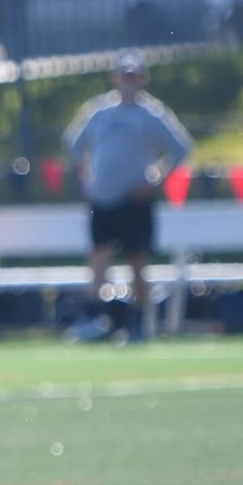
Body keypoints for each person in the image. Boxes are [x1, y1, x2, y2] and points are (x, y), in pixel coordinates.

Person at [63, 51, 192, 341]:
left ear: (143, 80)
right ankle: (95, 317)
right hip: (103, 200)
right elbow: (74, 146)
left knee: (137, 262)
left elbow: (181, 150)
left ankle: (137, 323)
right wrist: (86, 180)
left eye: (133, 76)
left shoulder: (152, 114)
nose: (128, 81)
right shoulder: (99, 111)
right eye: (124, 76)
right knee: (98, 260)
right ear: (115, 79)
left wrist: (155, 181)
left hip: (135, 201)